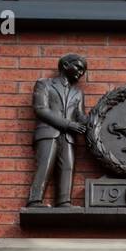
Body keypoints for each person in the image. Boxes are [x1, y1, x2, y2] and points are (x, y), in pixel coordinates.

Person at [27, 54, 88, 208]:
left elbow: (79, 115)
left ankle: (64, 202)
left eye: (83, 71)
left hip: (68, 137)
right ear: (66, 65)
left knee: (68, 167)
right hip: (48, 132)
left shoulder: (78, 93)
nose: (80, 72)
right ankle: (35, 200)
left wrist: (95, 120)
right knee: (45, 165)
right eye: (78, 67)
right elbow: (41, 110)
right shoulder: (44, 84)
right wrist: (68, 124)